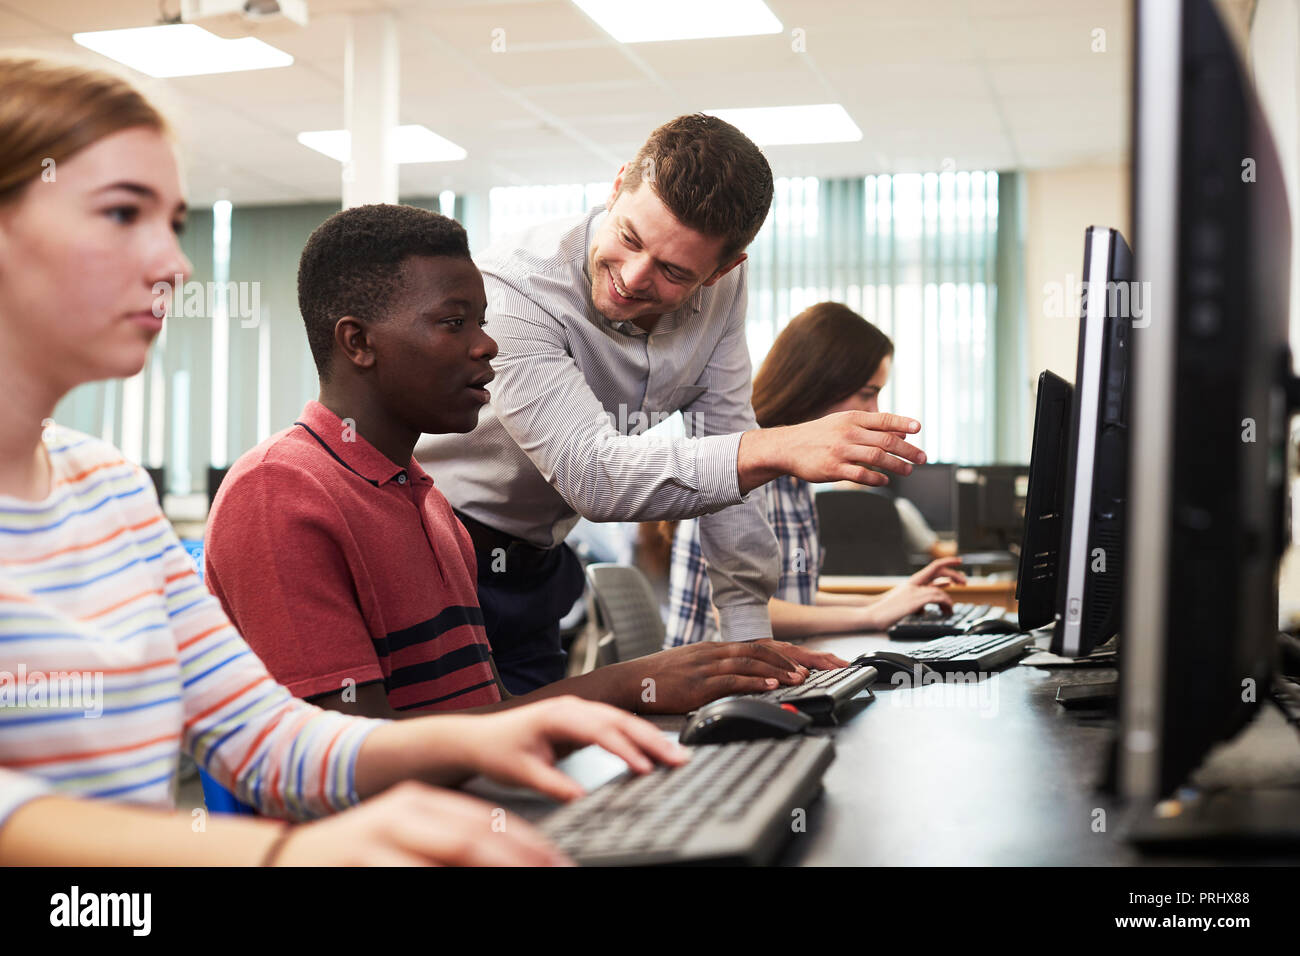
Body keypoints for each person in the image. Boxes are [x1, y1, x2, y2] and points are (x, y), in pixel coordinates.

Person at [0, 52, 683, 867]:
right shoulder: (278, 490)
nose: (174, 265)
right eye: (120, 213)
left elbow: (262, 735)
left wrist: (523, 722)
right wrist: (282, 857)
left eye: (175, 224)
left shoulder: (106, 488)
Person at [204, 203, 848, 721]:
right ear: (357, 342)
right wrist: (625, 685)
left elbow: (487, 719)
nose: (489, 346)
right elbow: (351, 763)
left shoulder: (426, 502)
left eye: (481, 321)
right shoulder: (278, 492)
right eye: (455, 323)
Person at [417, 114, 930, 693]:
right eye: (630, 238)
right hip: (436, 553)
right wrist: (780, 446)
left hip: (537, 560)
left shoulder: (722, 290)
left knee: (539, 765)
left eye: (674, 271)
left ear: (723, 268)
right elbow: (594, 476)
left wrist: (752, 646)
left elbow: (727, 445)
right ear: (616, 188)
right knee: (465, 756)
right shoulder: (512, 291)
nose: (634, 279)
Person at [666, 303, 967, 645]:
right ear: (819, 384)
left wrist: (890, 601)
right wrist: (868, 615)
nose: (874, 412)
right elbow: (737, 610)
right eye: (868, 394)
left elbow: (796, 599)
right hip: (713, 693)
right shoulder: (744, 463)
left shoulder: (795, 477)